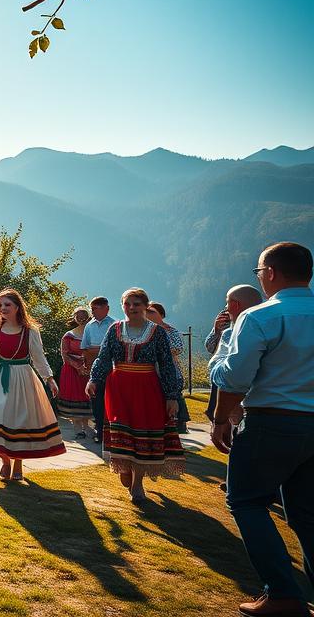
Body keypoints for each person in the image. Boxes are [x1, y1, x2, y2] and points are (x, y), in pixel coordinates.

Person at [210, 242, 314, 617]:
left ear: (270, 273)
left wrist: (221, 419)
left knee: (247, 501)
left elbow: (235, 378)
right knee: (306, 512)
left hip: (271, 420)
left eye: (259, 272)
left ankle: (283, 593)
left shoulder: (259, 317)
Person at [87, 288, 185, 504]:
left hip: (147, 388)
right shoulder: (114, 329)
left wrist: (171, 395)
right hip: (118, 388)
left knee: (142, 429)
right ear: (123, 306)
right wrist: (94, 379)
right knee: (122, 427)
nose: (132, 308)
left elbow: (167, 365)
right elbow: (104, 358)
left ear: (145, 306)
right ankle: (125, 466)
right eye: (128, 304)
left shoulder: (157, 333)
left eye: (137, 304)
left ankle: (138, 481)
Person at [0, 289, 65, 481]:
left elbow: (39, 357)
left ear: (17, 307)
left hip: (22, 377)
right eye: (0, 305)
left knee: (19, 419)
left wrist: (49, 378)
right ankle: (5, 461)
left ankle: (18, 463)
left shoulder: (30, 330)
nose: (3, 308)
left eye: (7, 304)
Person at [204, 284, 263, 423]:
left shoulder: (233, 332)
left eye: (227, 302)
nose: (225, 308)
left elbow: (228, 371)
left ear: (235, 305)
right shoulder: (267, 325)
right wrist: (216, 330)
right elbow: (209, 345)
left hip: (238, 401)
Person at [145, 301, 191, 436]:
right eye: (147, 312)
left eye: (153, 312)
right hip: (151, 372)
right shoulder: (144, 330)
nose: (149, 315)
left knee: (174, 398)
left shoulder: (171, 330)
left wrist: (159, 349)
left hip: (170, 371)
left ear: (161, 315)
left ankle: (178, 427)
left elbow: (178, 348)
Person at [80, 296, 116, 443]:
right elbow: (84, 348)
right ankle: (100, 432)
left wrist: (98, 350)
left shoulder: (115, 324)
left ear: (106, 308)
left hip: (112, 368)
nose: (92, 312)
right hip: (95, 369)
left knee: (112, 400)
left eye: (95, 308)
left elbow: (114, 349)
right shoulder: (89, 326)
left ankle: (113, 431)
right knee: (96, 401)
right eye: (91, 308)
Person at [57, 308, 94, 437]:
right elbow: (65, 354)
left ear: (88, 317)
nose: (82, 318)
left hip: (89, 369)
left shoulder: (93, 334)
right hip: (71, 371)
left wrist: (88, 366)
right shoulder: (68, 335)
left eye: (84, 315)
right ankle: (78, 428)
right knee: (74, 396)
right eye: (78, 316)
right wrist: (78, 366)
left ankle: (87, 426)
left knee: (87, 397)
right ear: (74, 318)